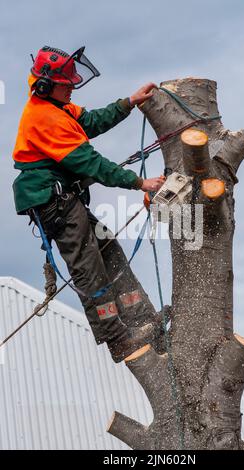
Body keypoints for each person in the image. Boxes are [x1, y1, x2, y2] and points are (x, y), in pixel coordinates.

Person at [12, 46, 165, 362]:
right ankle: (117, 338)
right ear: (45, 84)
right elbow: (90, 164)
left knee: (108, 251)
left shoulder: (59, 107)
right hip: (54, 202)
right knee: (88, 267)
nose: (73, 84)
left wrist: (128, 103)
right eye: (67, 82)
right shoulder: (43, 117)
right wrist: (140, 183)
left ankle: (142, 319)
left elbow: (92, 121)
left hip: (67, 198)